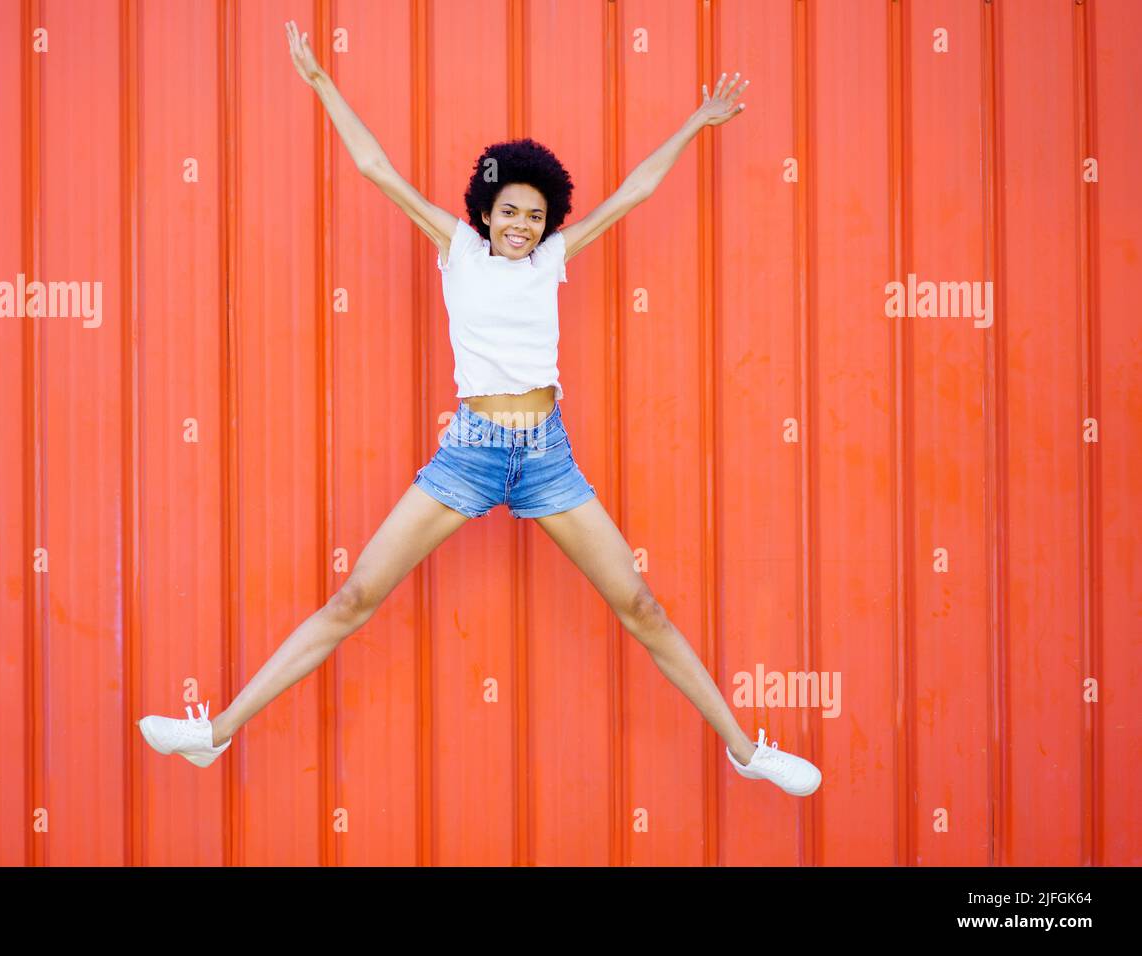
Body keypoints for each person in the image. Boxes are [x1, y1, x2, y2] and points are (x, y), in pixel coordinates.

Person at [138, 21, 820, 799]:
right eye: (509, 211)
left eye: (535, 214)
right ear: (486, 211)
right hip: (470, 451)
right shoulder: (457, 248)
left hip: (548, 457)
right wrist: (322, 83)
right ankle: (213, 734)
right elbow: (374, 168)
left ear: (548, 219)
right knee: (354, 597)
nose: (521, 224)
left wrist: (696, 126)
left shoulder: (555, 258)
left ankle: (745, 750)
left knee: (640, 605)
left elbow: (636, 192)